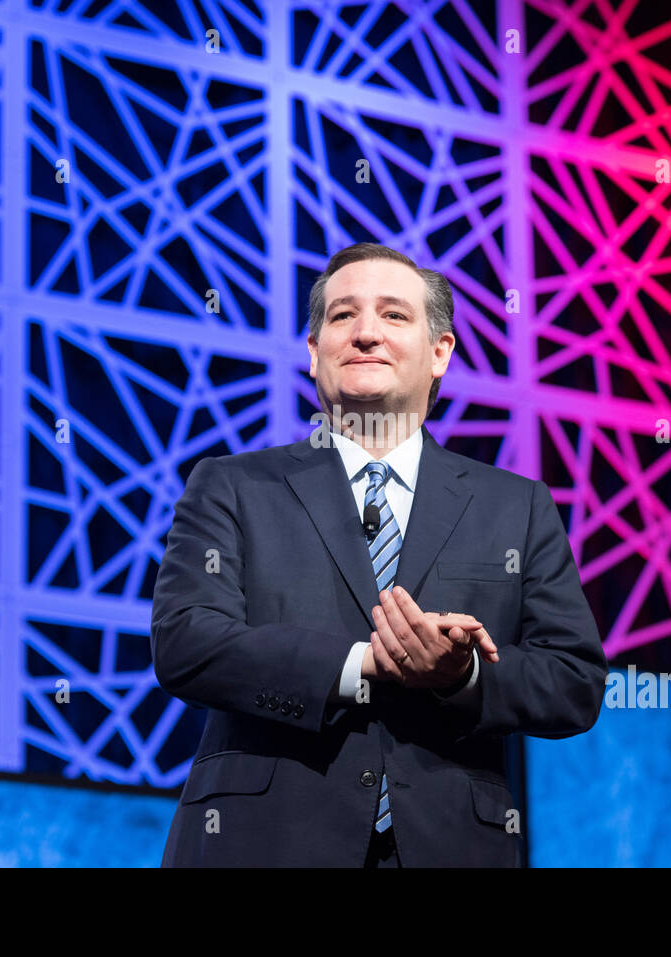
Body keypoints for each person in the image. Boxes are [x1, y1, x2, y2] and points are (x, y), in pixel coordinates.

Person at [151, 242, 607, 866]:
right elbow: (187, 643)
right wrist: (363, 664)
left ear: (440, 351)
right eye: (342, 316)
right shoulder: (232, 485)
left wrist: (464, 674)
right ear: (314, 353)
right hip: (262, 840)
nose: (366, 333)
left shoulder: (517, 506)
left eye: (394, 315)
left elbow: (574, 681)